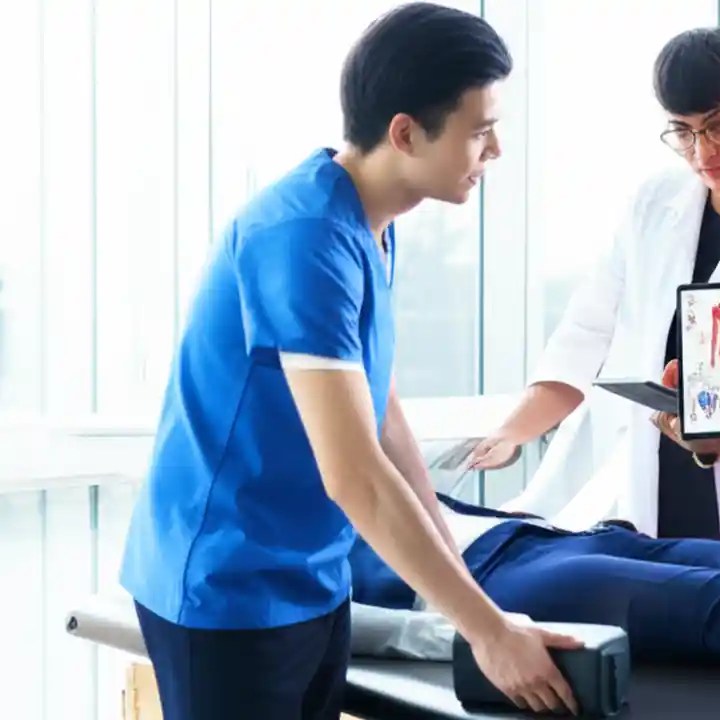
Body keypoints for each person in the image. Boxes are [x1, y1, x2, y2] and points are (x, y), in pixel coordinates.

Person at [117, 5, 581, 718]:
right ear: (406, 133)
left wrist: (463, 592)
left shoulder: (371, 224)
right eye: (479, 131)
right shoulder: (304, 237)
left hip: (313, 577)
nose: (495, 150)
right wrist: (486, 633)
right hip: (228, 586)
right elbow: (354, 471)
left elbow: (381, 412)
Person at [469, 27, 720, 555]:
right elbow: (589, 328)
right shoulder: (655, 204)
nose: (702, 151)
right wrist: (513, 431)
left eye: (719, 126)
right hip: (659, 483)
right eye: (683, 132)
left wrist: (715, 427)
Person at [348, 493, 720, 688]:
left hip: (547, 536)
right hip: (492, 585)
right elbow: (348, 625)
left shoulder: (342, 456)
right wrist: (482, 633)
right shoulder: (294, 537)